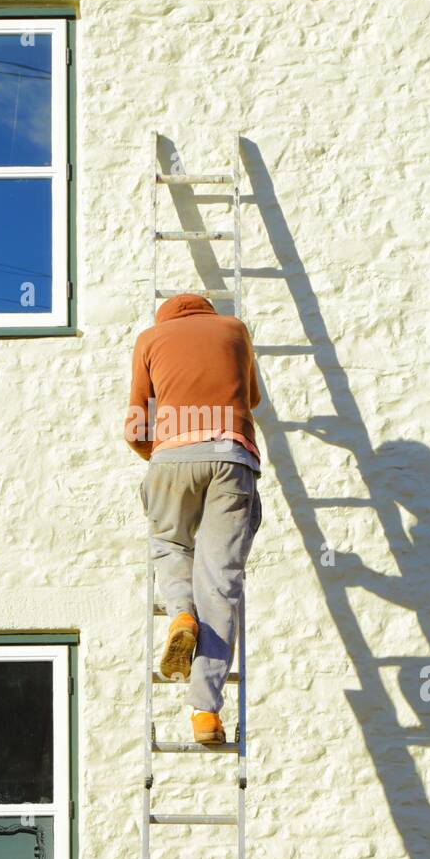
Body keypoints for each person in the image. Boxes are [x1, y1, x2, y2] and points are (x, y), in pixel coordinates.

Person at [125, 293, 262, 744]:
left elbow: (135, 426)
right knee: (220, 581)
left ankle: (181, 614)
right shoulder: (235, 330)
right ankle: (205, 711)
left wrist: (161, 455)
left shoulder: (149, 339)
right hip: (231, 456)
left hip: (172, 460)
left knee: (169, 542)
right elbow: (253, 398)